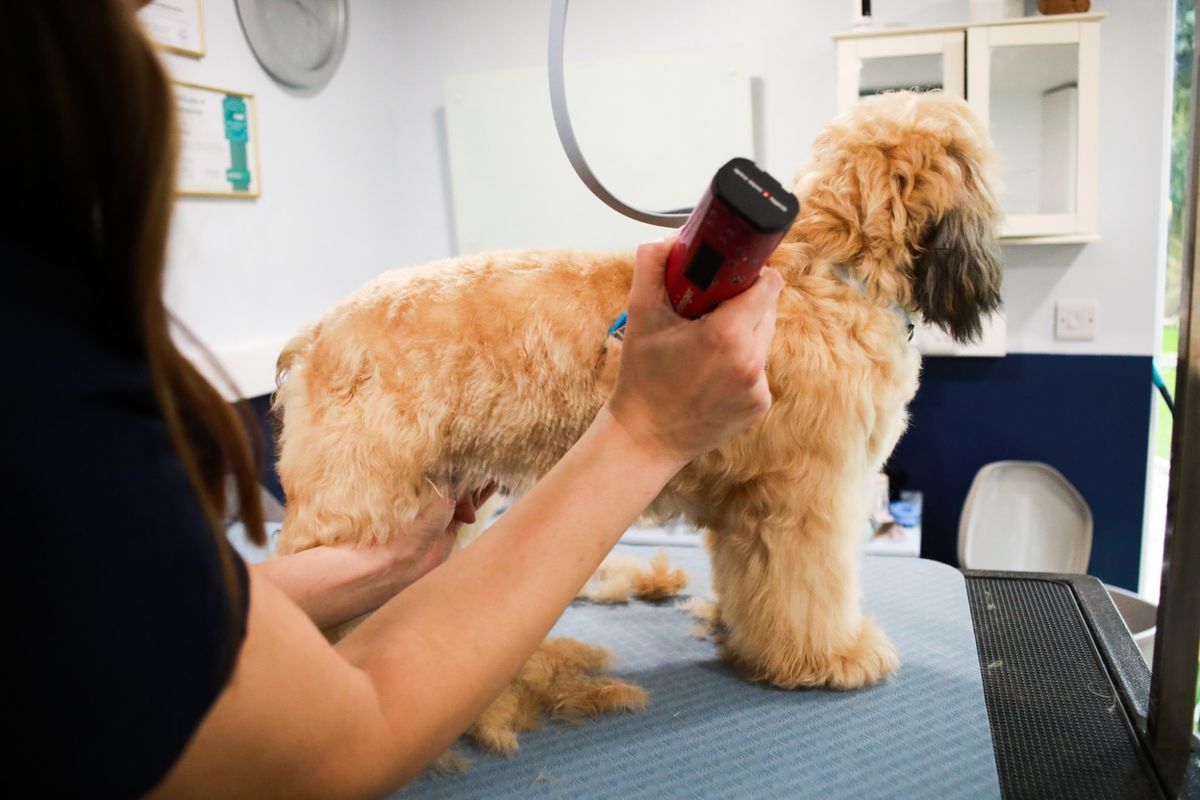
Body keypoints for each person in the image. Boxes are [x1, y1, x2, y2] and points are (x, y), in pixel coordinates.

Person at [4, 2, 782, 797]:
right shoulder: (35, 392)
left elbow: (145, 629)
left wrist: (380, 566)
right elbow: (331, 748)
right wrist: (644, 433)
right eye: (133, 16)